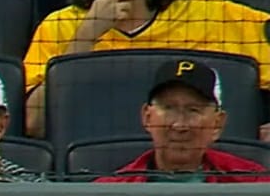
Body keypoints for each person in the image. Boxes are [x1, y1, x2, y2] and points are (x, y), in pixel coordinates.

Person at [23, 0, 270, 140]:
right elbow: (34, 125)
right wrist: (88, 32)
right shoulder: (59, 26)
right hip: (91, 177)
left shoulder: (210, 13)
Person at [95, 59, 270, 182]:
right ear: (147, 117)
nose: (179, 125)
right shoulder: (109, 191)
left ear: (218, 124)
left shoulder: (254, 184)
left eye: (193, 110)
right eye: (169, 108)